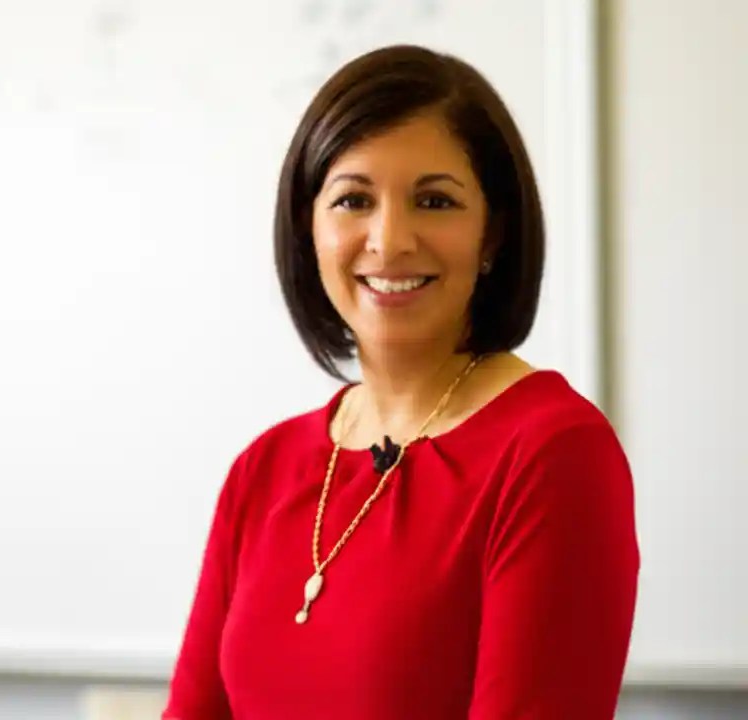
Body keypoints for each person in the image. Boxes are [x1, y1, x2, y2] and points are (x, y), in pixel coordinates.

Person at [162, 44, 640, 719]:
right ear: (310, 228)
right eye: (354, 200)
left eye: (435, 201)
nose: (389, 240)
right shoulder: (264, 470)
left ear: (492, 234)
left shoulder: (552, 454)